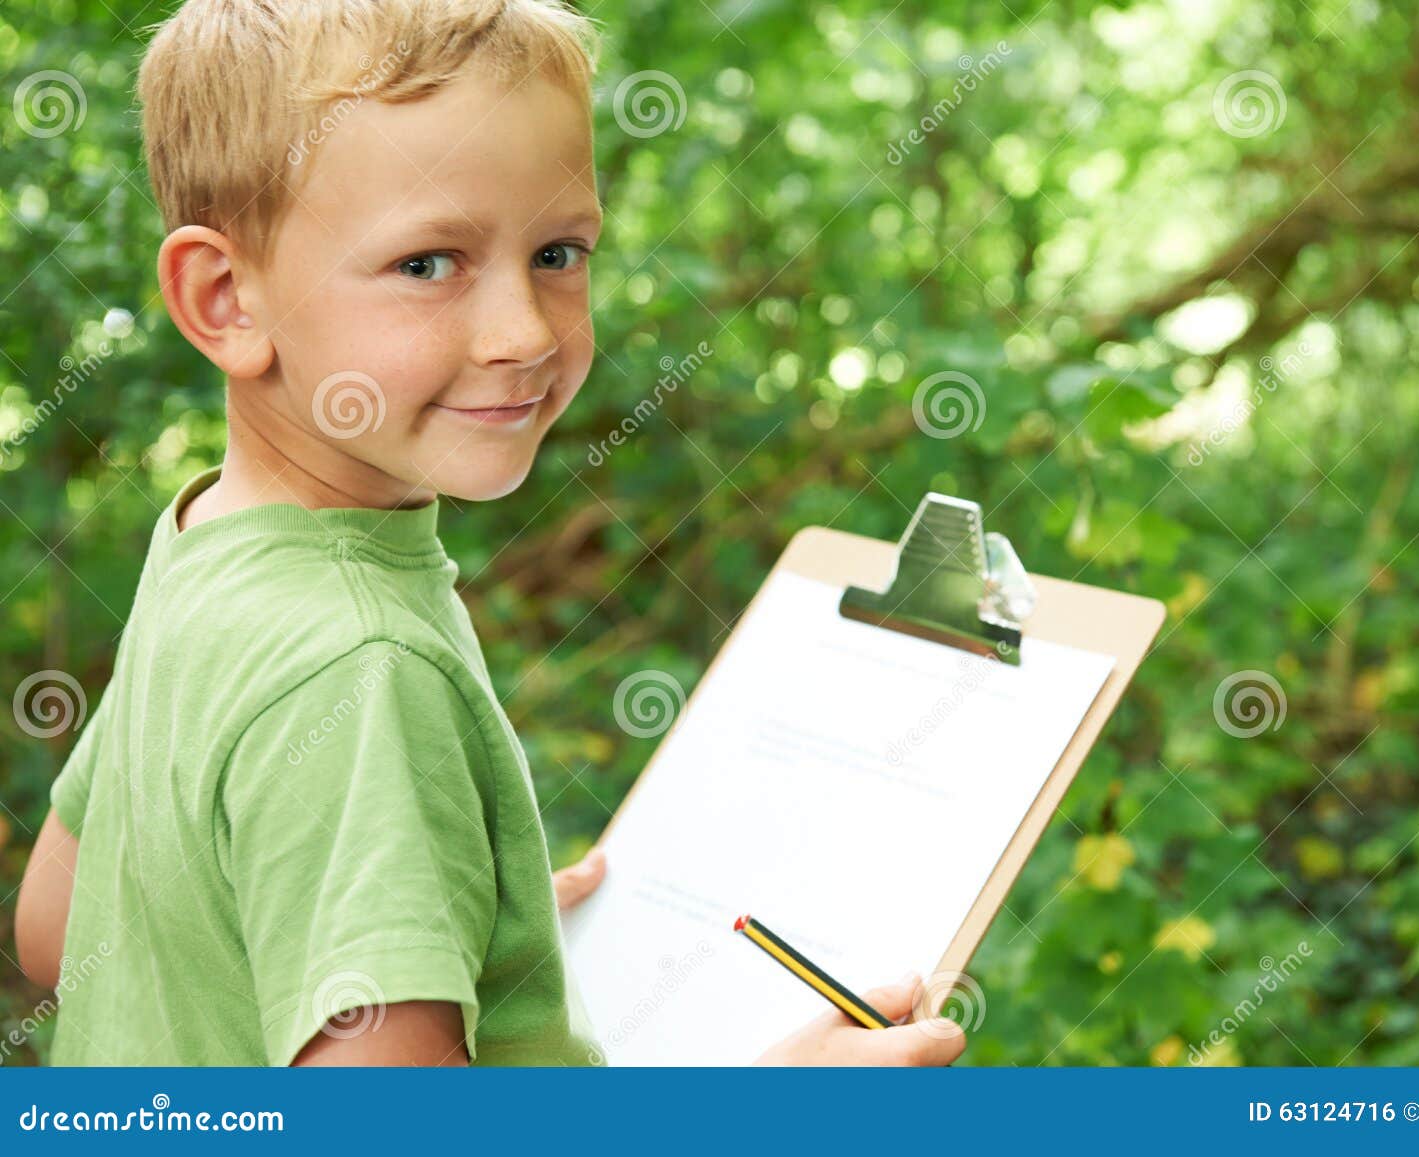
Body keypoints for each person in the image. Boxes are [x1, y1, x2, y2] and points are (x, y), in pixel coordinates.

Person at [13, 0, 965, 1068]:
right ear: (227, 297)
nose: (522, 331)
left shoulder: (206, 542)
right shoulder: (362, 662)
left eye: (559, 251)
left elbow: (59, 926)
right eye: (428, 263)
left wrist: (438, 924)